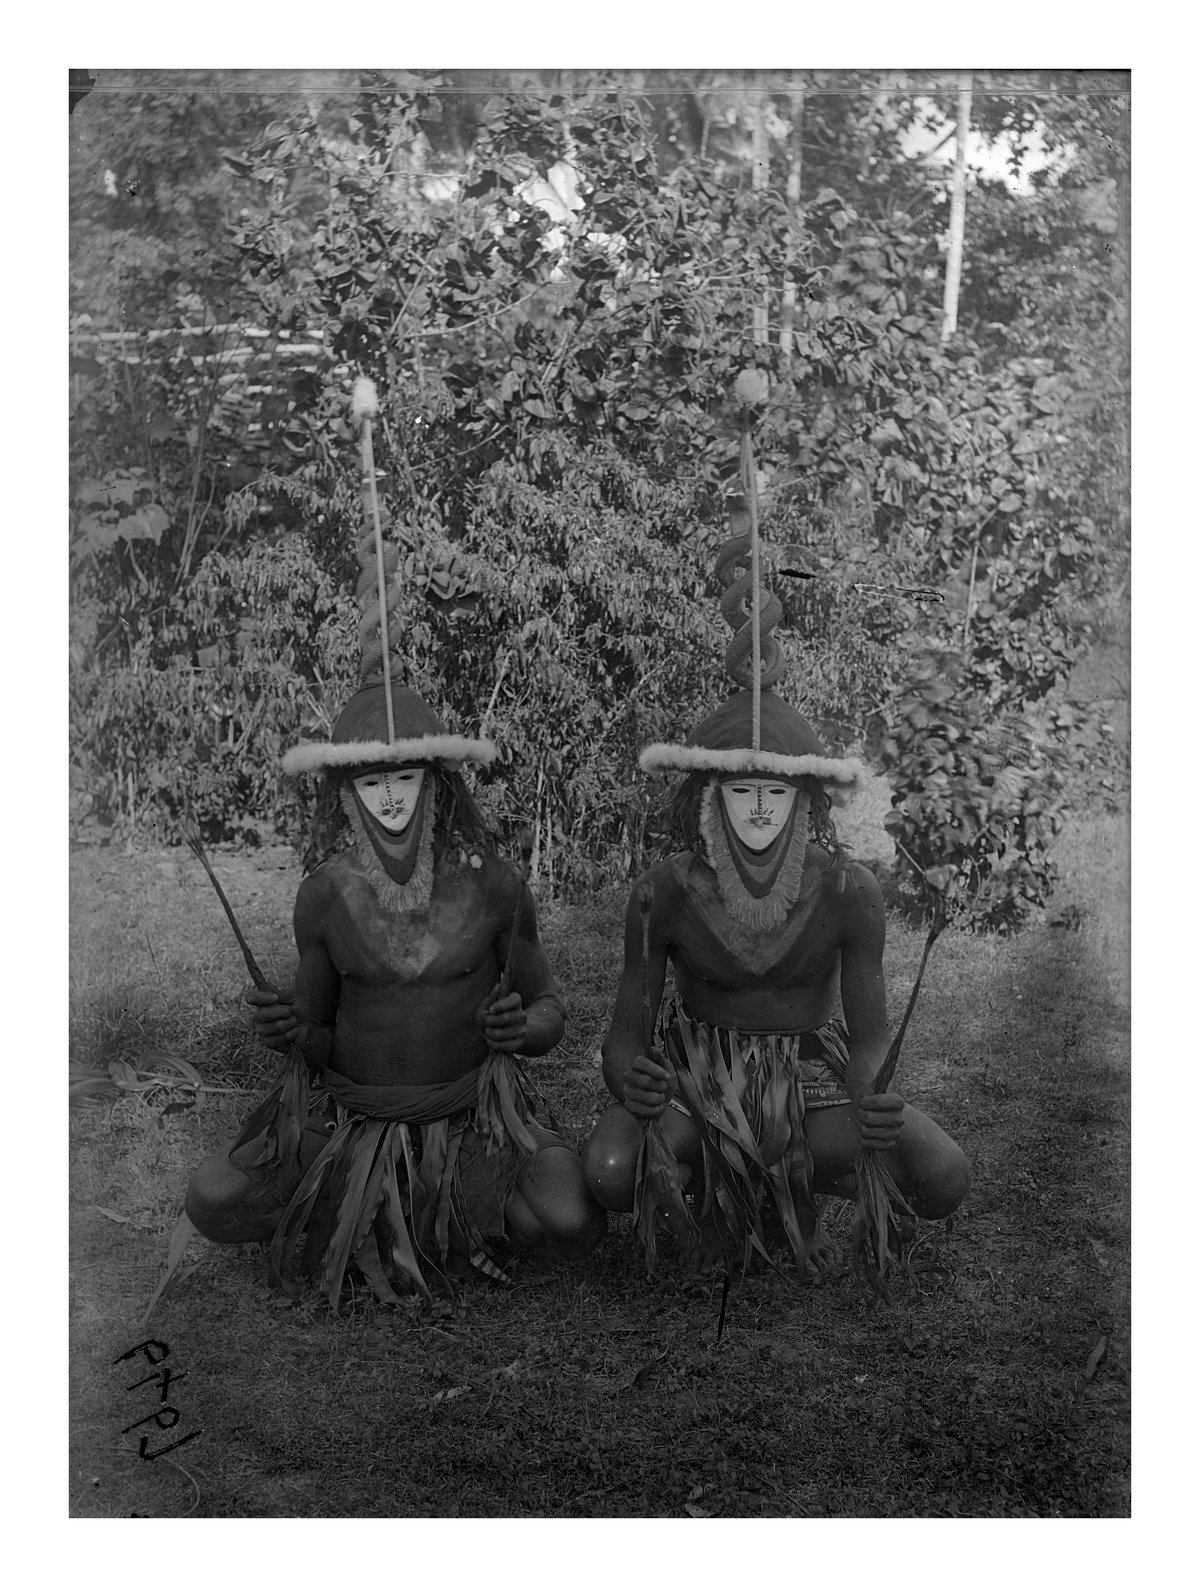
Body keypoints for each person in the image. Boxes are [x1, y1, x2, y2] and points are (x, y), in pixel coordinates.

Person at [184, 677, 605, 1307]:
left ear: (436, 780)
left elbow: (550, 1012)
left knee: (571, 1218)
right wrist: (288, 1034)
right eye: (371, 780)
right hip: (353, 1121)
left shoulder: (494, 885)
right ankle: (388, 1210)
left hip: (469, 1119)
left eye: (404, 777)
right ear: (346, 791)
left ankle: (411, 1213)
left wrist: (525, 1029)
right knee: (213, 1198)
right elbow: (318, 1038)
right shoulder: (325, 893)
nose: (389, 796)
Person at [582, 686, 971, 1278]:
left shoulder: (850, 891)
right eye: (742, 791)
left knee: (943, 1176)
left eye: (775, 792)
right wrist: (631, 1080)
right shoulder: (661, 892)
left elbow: (870, 1040)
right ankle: (718, 1201)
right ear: (710, 795)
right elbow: (623, 1042)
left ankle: (787, 1196)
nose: (759, 808)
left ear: (805, 798)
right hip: (698, 1082)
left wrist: (870, 1092)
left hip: (809, 1081)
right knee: (611, 1168)